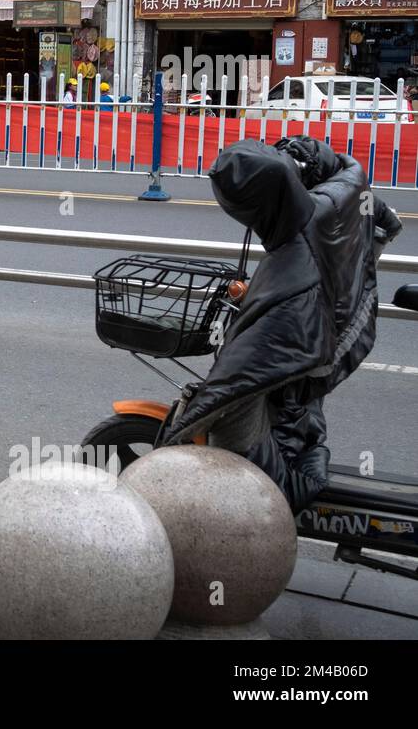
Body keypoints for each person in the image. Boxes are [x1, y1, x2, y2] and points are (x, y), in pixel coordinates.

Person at [161, 137, 402, 511]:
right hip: (346, 321)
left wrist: (186, 425)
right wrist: (303, 156)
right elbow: (346, 172)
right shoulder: (332, 198)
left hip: (321, 341)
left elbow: (241, 372)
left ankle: (268, 505)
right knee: (293, 405)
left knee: (233, 422)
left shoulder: (290, 268)